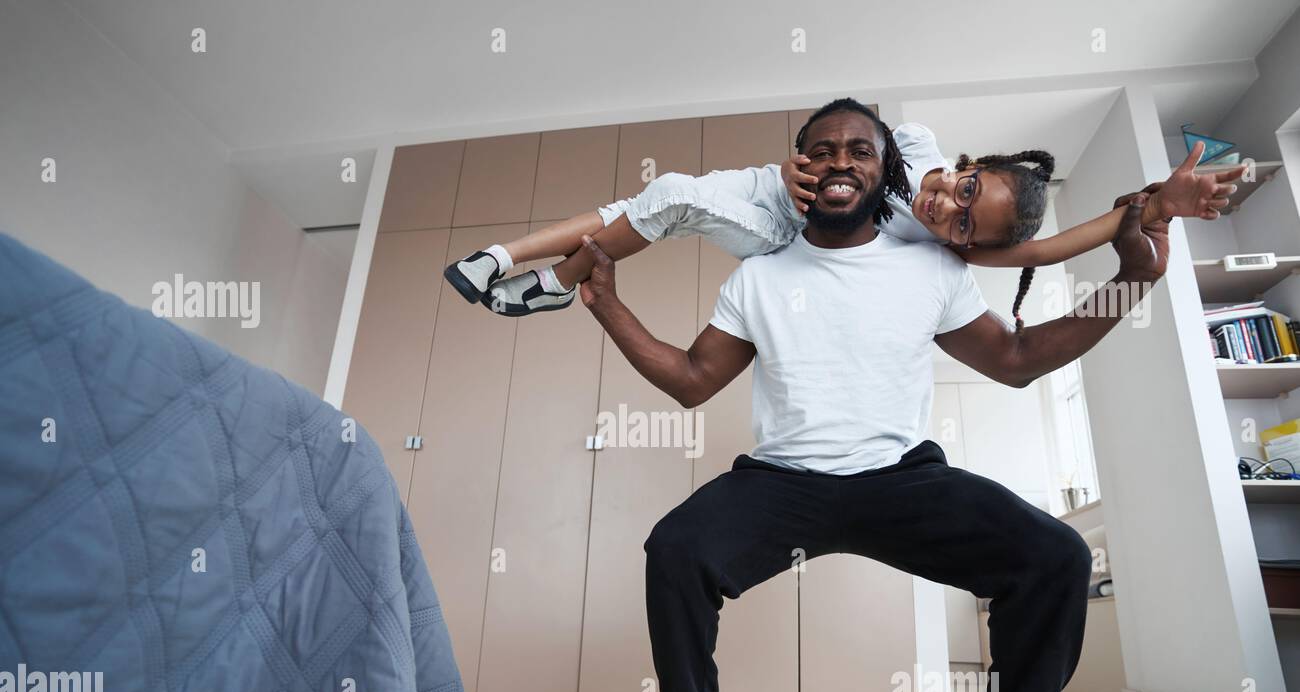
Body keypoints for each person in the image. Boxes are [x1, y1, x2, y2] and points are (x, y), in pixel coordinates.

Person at [578, 98, 1171, 692]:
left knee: (1056, 557)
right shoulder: (760, 276)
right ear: (798, 170)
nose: (840, 161)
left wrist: (1132, 281)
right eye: (821, 149)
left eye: (860, 150)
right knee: (676, 551)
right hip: (782, 481)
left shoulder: (930, 263)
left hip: (900, 480)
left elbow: (1016, 361)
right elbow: (694, 380)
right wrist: (605, 303)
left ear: (886, 168)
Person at [442, 99, 1237, 321]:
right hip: (767, 183)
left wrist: (1151, 206)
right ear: (967, 166)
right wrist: (805, 164)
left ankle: (552, 282)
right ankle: (510, 260)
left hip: (783, 225)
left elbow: (1040, 252)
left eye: (963, 225)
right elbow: (836, 153)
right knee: (641, 200)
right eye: (962, 193)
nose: (945, 210)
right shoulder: (917, 140)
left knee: (672, 196)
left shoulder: (942, 245)